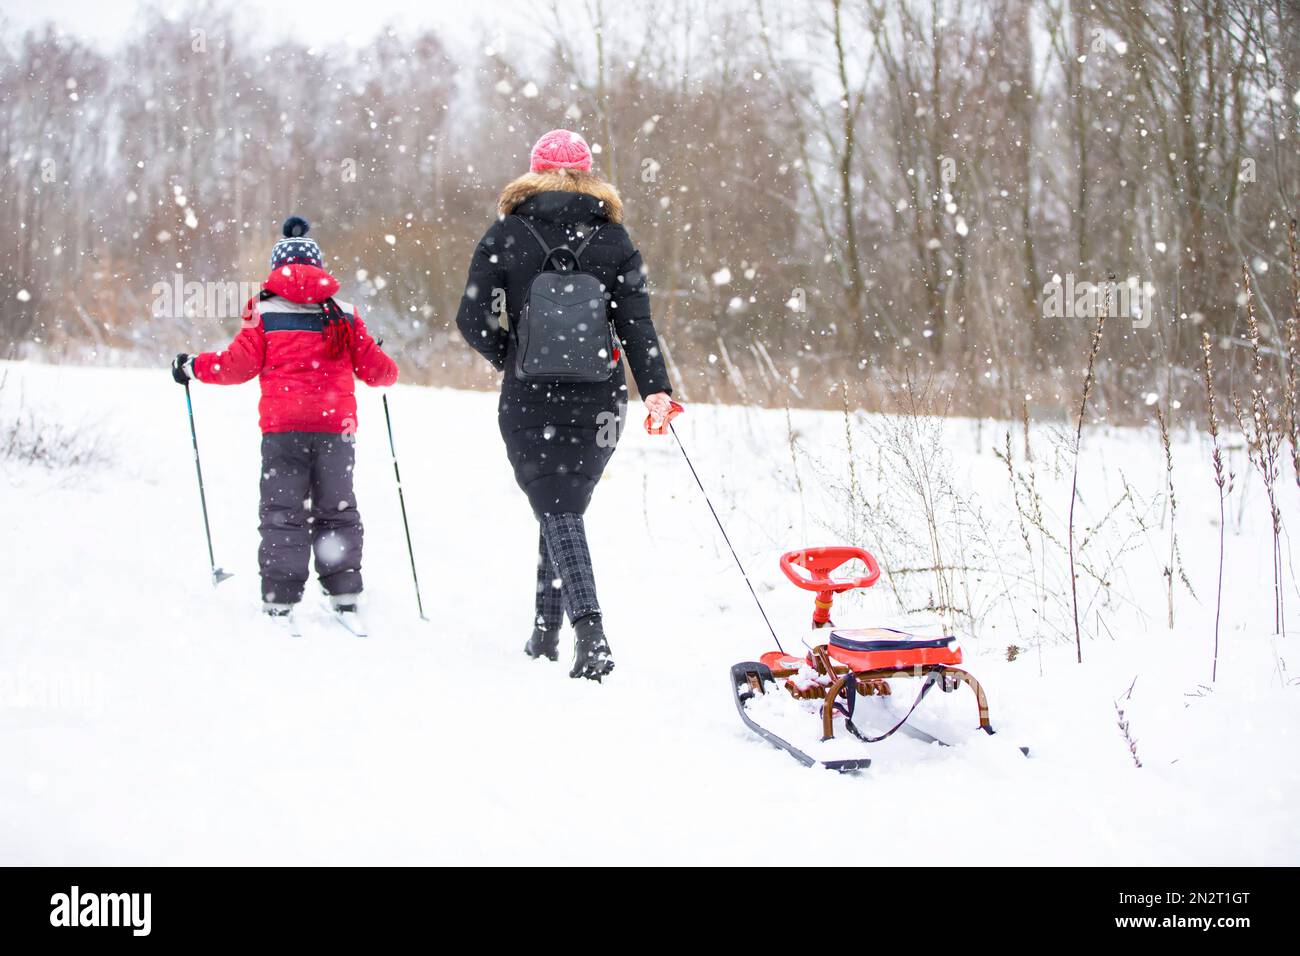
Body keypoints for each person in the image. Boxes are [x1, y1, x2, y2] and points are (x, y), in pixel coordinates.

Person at [455, 129, 675, 681]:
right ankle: (545, 632)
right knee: (561, 503)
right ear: (589, 173)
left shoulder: (506, 233)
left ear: (533, 173)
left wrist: (509, 353)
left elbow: (471, 317)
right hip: (601, 399)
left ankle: (591, 633)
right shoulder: (614, 238)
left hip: (529, 395)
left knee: (557, 506)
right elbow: (637, 323)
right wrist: (655, 389)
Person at [171, 216, 398, 631]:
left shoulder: (264, 311)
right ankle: (344, 593)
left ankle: (280, 598)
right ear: (320, 267)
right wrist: (376, 352)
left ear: (277, 268)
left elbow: (235, 366)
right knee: (338, 509)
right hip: (337, 430)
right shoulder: (344, 315)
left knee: (282, 512)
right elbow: (382, 374)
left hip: (283, 430)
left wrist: (193, 367)